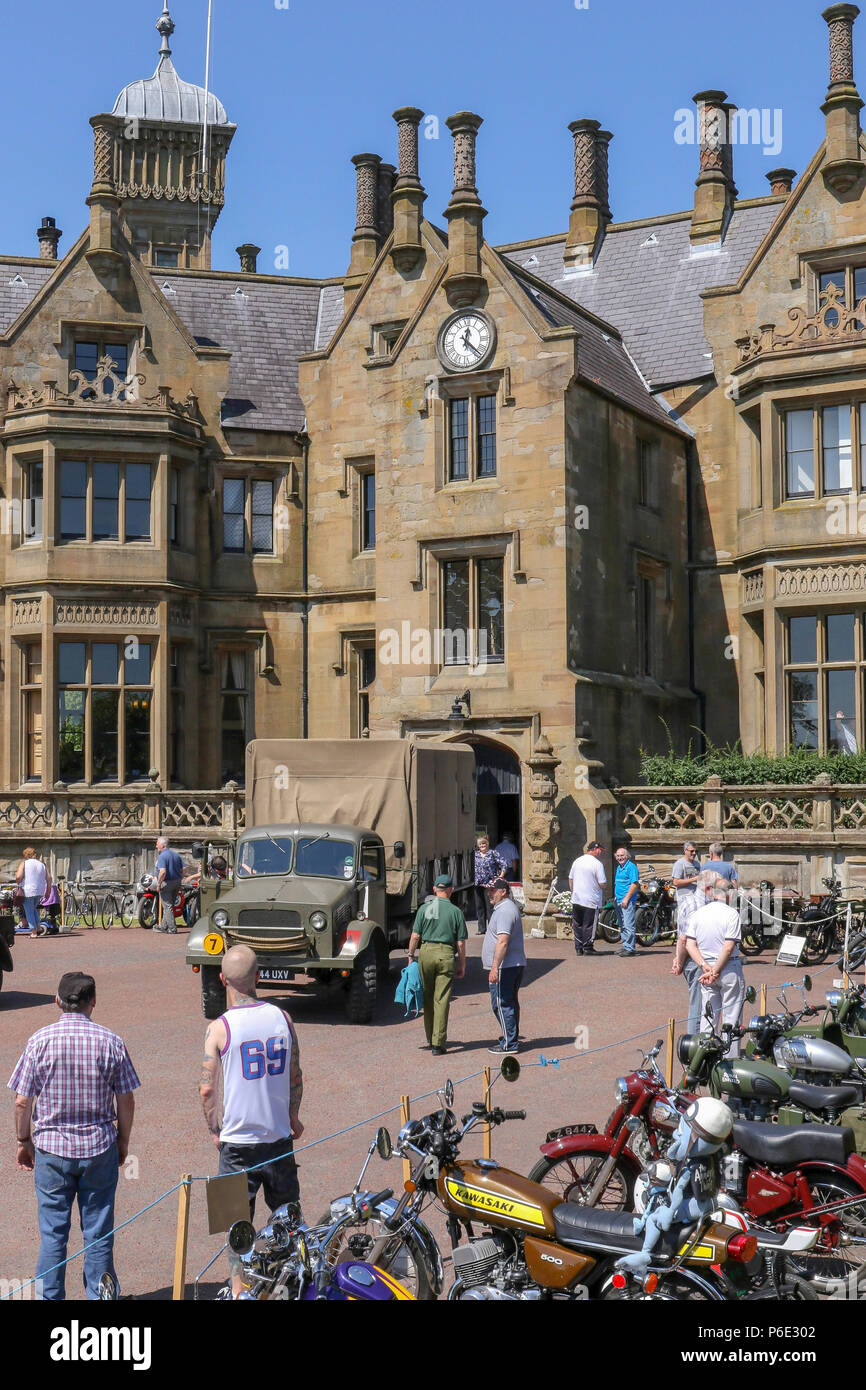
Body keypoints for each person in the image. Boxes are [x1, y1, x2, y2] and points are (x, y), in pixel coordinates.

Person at [8, 971, 139, 1300]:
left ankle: (48, 1298)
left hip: (52, 1150)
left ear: (57, 1001)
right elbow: (126, 1098)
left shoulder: (39, 1041)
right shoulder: (111, 1041)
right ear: (93, 1002)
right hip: (98, 1147)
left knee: (53, 1234)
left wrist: (24, 1142)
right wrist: (122, 1141)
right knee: (98, 1232)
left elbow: (23, 1100)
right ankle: (101, 1297)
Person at [200, 945, 303, 1297]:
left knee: (233, 1224)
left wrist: (215, 1130)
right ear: (259, 977)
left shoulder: (219, 1027)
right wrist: (294, 1116)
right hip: (277, 1139)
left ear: (222, 978)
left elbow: (207, 1090)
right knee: (287, 1218)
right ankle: (288, 1283)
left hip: (237, 1144)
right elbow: (295, 1074)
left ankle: (240, 1288)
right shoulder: (282, 1018)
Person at [685, 876, 746, 1055]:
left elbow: (689, 944)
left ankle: (705, 1056)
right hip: (727, 969)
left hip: (706, 967)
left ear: (712, 892)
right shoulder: (731, 914)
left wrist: (705, 966)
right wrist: (715, 970)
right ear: (729, 894)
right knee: (731, 1017)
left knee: (708, 1016)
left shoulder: (698, 914)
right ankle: (730, 1058)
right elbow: (728, 948)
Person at [407, 874, 467, 1056]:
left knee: (427, 998)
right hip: (445, 954)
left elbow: (415, 936)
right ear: (451, 890)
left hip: (426, 952)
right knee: (441, 999)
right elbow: (461, 943)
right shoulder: (456, 912)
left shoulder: (424, 909)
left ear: (434, 889)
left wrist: (411, 956)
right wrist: (462, 964)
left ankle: (429, 1037)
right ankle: (438, 1043)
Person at [483, 878, 526, 1055]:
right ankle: (511, 1038)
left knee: (501, 1004)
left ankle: (510, 1043)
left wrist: (494, 968)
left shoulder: (505, 910)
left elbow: (502, 942)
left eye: (493, 890)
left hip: (506, 967)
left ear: (503, 892)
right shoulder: (504, 909)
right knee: (508, 1003)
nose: (489, 893)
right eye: (489, 890)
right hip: (510, 965)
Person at [568, 841, 606, 956]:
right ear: (596, 849)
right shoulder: (597, 864)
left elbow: (571, 879)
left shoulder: (577, 861)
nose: (601, 853)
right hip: (591, 899)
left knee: (578, 923)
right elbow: (602, 883)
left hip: (577, 898)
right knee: (589, 924)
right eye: (601, 850)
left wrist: (573, 891)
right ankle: (588, 946)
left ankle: (578, 947)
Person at [474, 835, 506, 936]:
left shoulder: (492, 853)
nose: (482, 845)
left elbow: (504, 864)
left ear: (487, 844)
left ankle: (492, 928)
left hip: (489, 884)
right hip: (478, 883)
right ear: (478, 846)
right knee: (479, 906)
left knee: (490, 907)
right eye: (480, 844)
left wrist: (500, 877)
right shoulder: (475, 855)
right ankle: (481, 928)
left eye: (484, 843)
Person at [16, 847, 50, 938]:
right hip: (39, 891)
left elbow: (19, 877)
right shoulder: (42, 865)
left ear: (26, 855)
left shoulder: (24, 863)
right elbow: (49, 879)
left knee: (29, 911)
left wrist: (18, 882)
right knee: (33, 909)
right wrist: (48, 891)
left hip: (27, 890)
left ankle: (33, 932)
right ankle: (38, 927)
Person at [155, 835, 185, 934]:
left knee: (167, 906)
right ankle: (163, 926)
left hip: (167, 883)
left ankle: (172, 928)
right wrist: (181, 877)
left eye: (157, 844)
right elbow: (184, 869)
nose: (156, 846)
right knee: (169, 905)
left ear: (163, 846)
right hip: (177, 882)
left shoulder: (162, 856)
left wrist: (158, 884)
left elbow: (162, 872)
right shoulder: (176, 855)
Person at [613, 846, 639, 958]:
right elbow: (619, 884)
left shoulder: (631, 867)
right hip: (619, 900)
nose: (620, 858)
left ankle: (630, 948)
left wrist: (627, 898)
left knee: (628, 925)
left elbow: (634, 884)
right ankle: (625, 945)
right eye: (618, 856)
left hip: (627, 901)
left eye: (622, 855)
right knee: (622, 925)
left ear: (627, 856)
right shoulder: (619, 867)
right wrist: (616, 896)